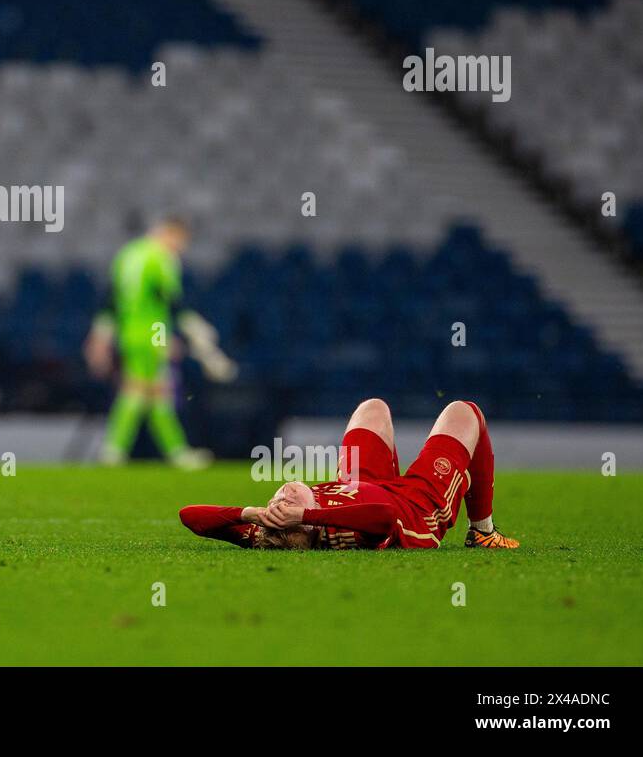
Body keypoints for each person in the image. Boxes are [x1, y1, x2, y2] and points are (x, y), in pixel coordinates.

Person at [179, 398, 519, 549]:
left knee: (373, 408)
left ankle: (482, 532)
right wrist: (305, 512)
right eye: (287, 502)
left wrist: (250, 514)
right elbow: (384, 515)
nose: (281, 494)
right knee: (465, 411)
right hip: (416, 507)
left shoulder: (271, 532)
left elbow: (190, 516)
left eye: (276, 501)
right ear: (311, 521)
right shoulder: (345, 535)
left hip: (359, 484)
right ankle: (482, 532)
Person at [83, 216, 237, 469]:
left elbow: (111, 299)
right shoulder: (161, 258)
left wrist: (100, 335)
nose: (180, 249)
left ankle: (152, 452)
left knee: (152, 394)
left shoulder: (127, 255)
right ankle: (123, 451)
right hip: (153, 333)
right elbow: (170, 301)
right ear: (170, 234)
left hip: (130, 333)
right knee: (142, 393)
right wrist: (192, 329)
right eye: (180, 242)